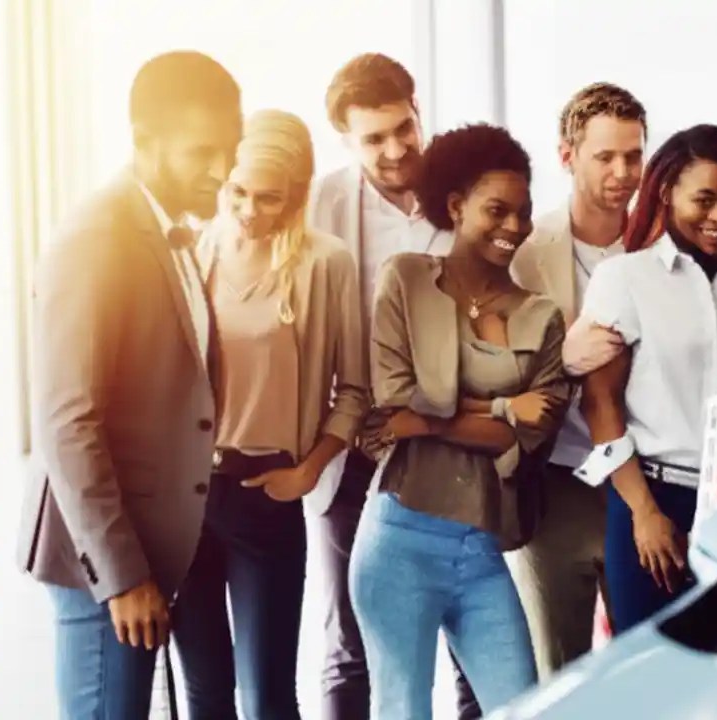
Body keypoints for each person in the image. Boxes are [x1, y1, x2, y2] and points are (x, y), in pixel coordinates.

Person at [15, 51, 241, 719]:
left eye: (231, 149)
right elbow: (67, 422)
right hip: (106, 565)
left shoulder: (166, 233)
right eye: (202, 152)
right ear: (144, 141)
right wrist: (122, 578)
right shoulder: (98, 237)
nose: (223, 170)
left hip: (149, 549)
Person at [350, 123, 571, 719]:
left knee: (524, 707)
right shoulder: (405, 278)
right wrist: (502, 407)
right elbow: (394, 399)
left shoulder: (542, 316)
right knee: (402, 711)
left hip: (480, 548)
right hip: (398, 540)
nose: (514, 227)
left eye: (523, 213)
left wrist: (427, 423)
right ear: (455, 206)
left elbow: (526, 438)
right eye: (497, 210)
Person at [166, 109, 367, 719]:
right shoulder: (192, 252)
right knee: (204, 693)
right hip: (185, 496)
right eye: (238, 192)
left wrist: (309, 469)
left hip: (266, 493)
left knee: (268, 696)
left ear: (298, 196)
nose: (249, 210)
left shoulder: (325, 264)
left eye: (268, 198)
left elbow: (355, 390)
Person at [575, 124, 717, 633]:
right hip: (653, 500)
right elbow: (600, 405)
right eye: (705, 199)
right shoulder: (624, 278)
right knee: (650, 663)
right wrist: (643, 513)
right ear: (667, 192)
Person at [306, 52, 475, 720]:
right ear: (346, 140)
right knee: (351, 644)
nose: (397, 149)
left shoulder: (467, 191)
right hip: (354, 448)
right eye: (374, 138)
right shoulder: (321, 205)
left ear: (417, 110)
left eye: (404, 127)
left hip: (455, 446)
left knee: (469, 637)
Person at [507, 81, 646, 678]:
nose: (623, 173)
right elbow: (495, 374)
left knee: (643, 669)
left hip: (644, 479)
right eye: (605, 156)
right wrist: (562, 358)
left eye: (633, 156)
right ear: (567, 157)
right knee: (557, 674)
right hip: (555, 483)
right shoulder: (524, 251)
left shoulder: (661, 244)